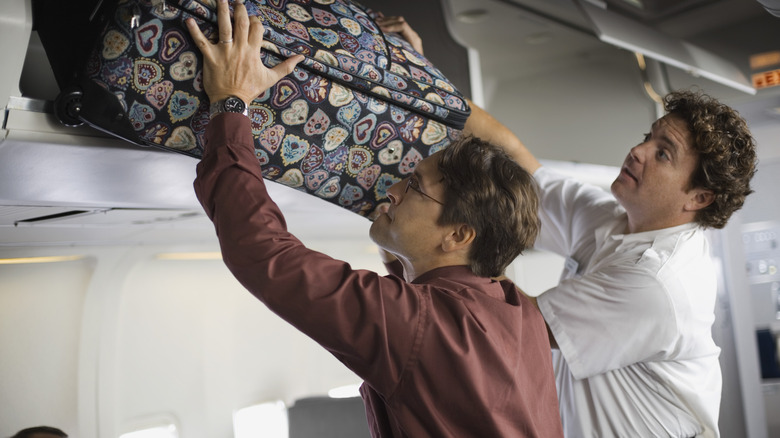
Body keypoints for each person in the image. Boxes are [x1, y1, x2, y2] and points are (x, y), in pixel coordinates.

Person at [185, 1, 564, 437]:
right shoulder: (516, 311)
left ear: (458, 234)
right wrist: (411, 73)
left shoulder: (421, 323)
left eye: (414, 187)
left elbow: (262, 251)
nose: (393, 190)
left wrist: (231, 102)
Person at [464, 90, 757, 437]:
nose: (638, 151)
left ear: (698, 198)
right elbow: (519, 164)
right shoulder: (614, 219)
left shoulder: (657, 281)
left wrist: (439, 234)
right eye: (649, 138)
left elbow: (515, 320)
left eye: (662, 153)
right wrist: (420, 81)